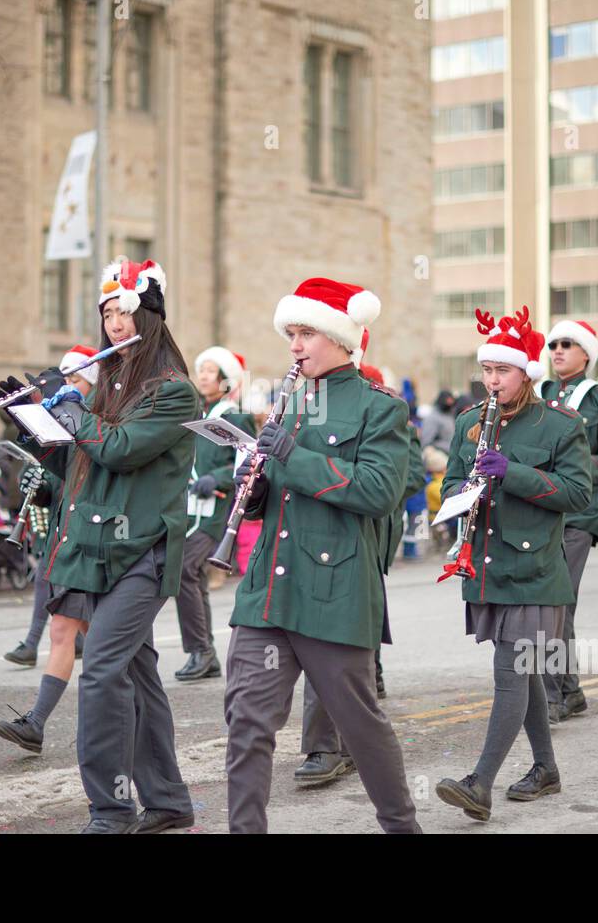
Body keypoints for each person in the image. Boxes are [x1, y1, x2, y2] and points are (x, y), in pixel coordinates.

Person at [0, 259, 195, 833]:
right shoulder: (109, 383)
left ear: (149, 317)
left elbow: (120, 448)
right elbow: (76, 463)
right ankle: (169, 802)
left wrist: (72, 406)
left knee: (103, 671)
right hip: (98, 549)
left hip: (143, 552)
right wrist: (27, 421)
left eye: (123, 311)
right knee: (137, 674)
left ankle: (110, 809)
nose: (112, 323)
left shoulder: (174, 393)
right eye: (106, 313)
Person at [223, 276, 420, 834]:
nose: (295, 344)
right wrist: (255, 485)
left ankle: (402, 825)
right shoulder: (288, 401)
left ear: (340, 336)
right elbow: (278, 498)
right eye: (291, 332)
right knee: (247, 722)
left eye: (306, 332)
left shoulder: (380, 408)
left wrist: (293, 457)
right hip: (268, 592)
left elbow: (378, 492)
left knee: (360, 726)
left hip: (332, 591)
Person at [434, 307, 591, 821]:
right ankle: (546, 768)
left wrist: (514, 473)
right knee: (522, 676)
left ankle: (479, 783)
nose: (491, 380)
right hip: (486, 567)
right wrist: (463, 490)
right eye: (486, 370)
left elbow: (577, 493)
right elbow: (451, 482)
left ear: (526, 373)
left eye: (502, 371)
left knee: (509, 674)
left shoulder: (560, 425)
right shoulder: (468, 423)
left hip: (535, 571)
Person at [292, 358, 423, 786]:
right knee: (330, 640)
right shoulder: (306, 404)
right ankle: (328, 745)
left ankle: (338, 745)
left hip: (369, 531)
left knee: (347, 635)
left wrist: (364, 482)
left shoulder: (384, 409)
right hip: (322, 539)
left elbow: (409, 475)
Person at [539, 319, 598, 721]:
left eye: (567, 344)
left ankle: (551, 697)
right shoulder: (539, 392)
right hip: (543, 510)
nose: (557, 350)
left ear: (586, 354)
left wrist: (576, 468)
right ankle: (571, 691)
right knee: (556, 604)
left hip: (580, 512)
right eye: (553, 344)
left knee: (556, 603)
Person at [2, 346, 99, 668]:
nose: (69, 384)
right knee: (50, 587)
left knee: (73, 617)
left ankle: (40, 645)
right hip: (60, 523)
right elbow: (58, 476)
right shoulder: (63, 415)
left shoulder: (94, 417)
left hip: (85, 528)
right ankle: (36, 644)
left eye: (76, 378)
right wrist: (38, 486)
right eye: (66, 377)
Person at [175, 345, 254, 682]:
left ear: (224, 379)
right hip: (191, 507)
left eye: (210, 370)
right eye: (201, 369)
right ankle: (204, 652)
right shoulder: (198, 415)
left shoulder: (233, 416)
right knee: (190, 576)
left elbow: (246, 461)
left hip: (217, 507)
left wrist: (217, 478)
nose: (203, 376)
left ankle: (201, 650)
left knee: (183, 571)